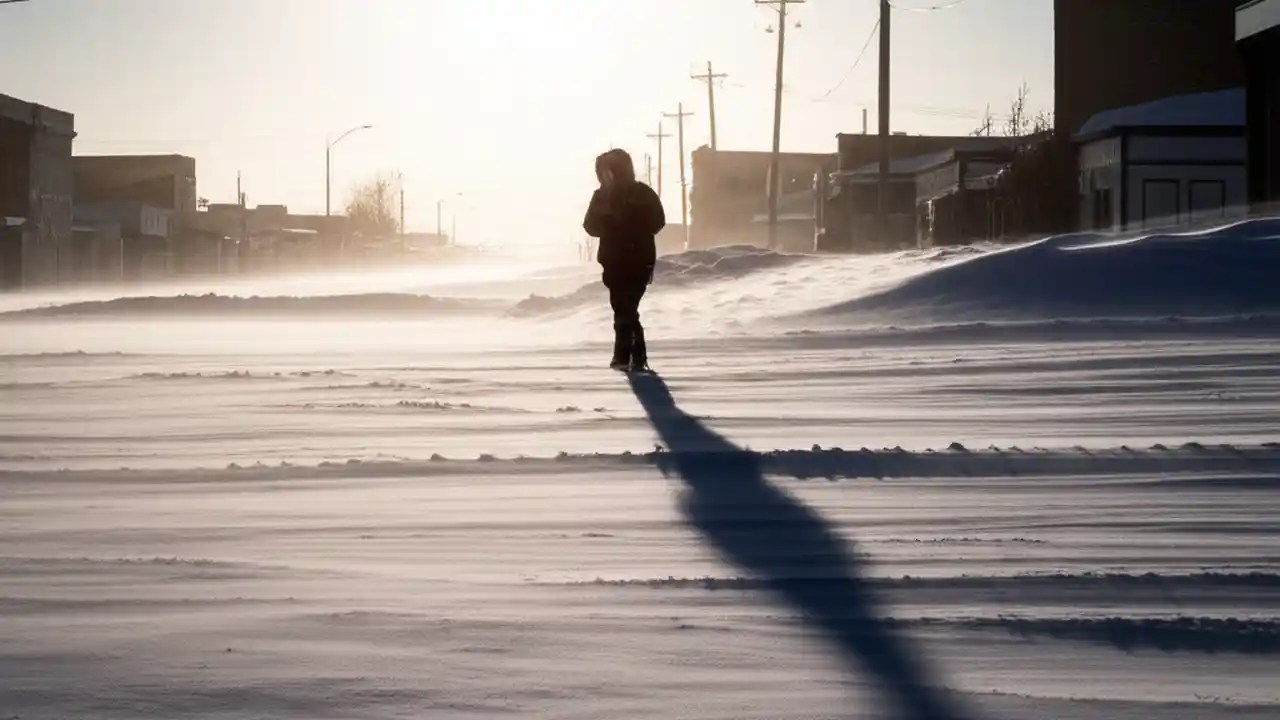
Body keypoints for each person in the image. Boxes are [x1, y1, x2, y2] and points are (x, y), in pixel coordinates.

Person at [583, 149, 666, 371]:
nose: (604, 176)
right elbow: (590, 226)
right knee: (623, 307)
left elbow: (658, 221)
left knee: (626, 307)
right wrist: (608, 220)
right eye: (601, 172)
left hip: (638, 259)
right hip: (613, 260)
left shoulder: (641, 193)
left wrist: (630, 223)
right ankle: (637, 356)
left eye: (607, 170)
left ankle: (622, 356)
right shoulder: (601, 197)